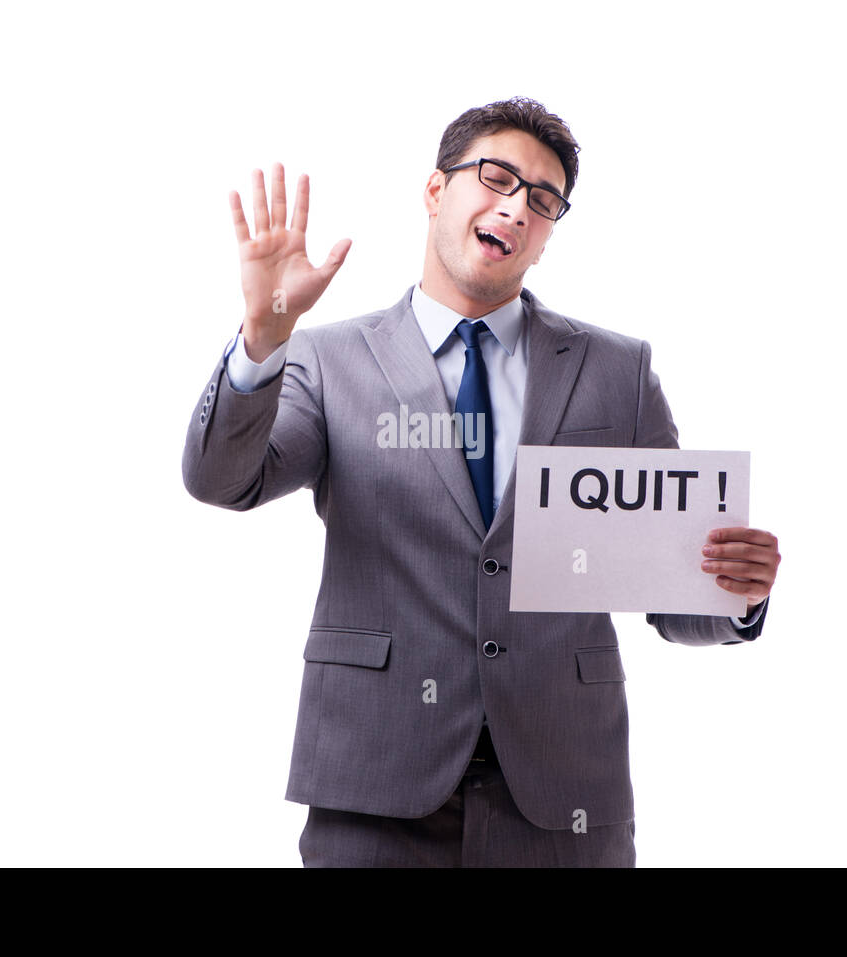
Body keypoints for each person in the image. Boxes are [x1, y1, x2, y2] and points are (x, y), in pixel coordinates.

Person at [182, 97, 781, 867]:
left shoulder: (615, 373)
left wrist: (736, 592)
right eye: (495, 178)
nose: (515, 208)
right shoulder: (329, 361)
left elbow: (671, 593)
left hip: (563, 795)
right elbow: (222, 480)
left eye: (543, 199)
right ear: (437, 191)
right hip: (376, 785)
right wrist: (263, 340)